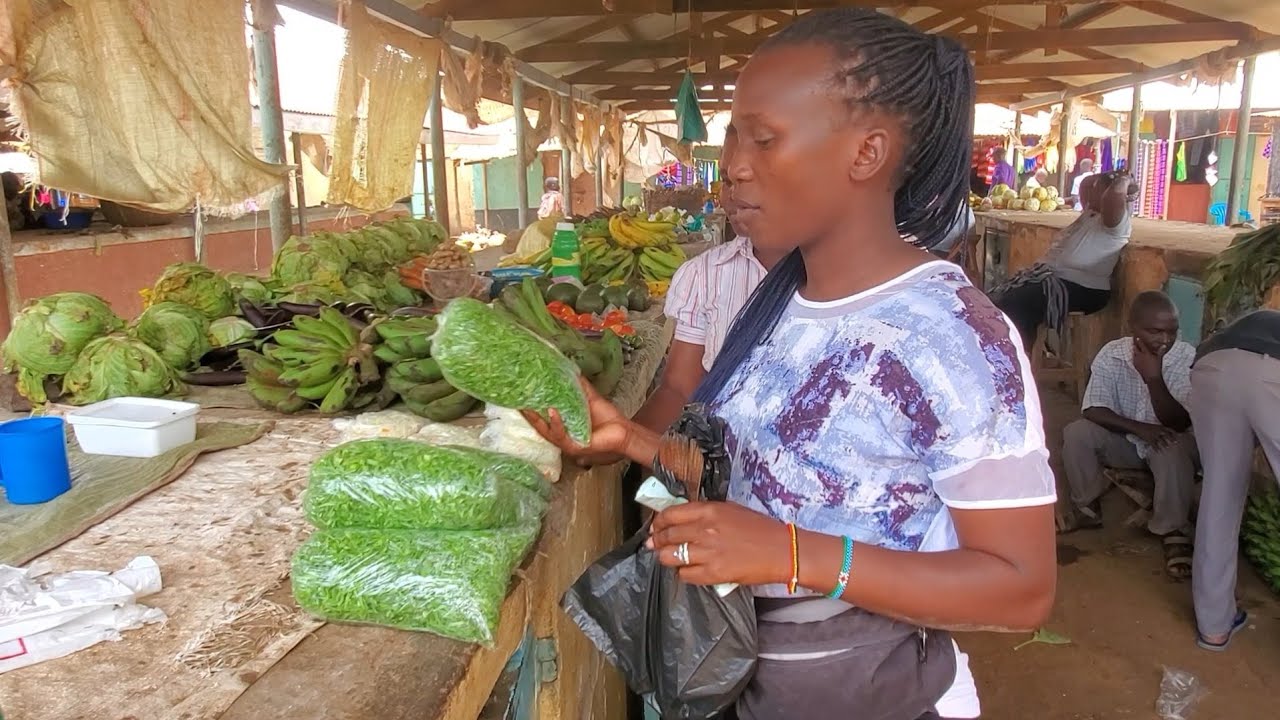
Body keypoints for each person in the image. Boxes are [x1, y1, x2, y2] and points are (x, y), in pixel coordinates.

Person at [524, 9, 1056, 718]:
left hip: (867, 691)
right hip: (752, 679)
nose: (734, 166)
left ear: (866, 153)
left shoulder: (952, 338)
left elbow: (1021, 589)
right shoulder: (781, 302)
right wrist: (630, 440)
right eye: (733, 137)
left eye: (765, 139)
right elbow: (769, 483)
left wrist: (791, 555)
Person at [632, 179, 788, 435]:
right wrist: (623, 438)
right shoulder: (705, 275)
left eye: (748, 178)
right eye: (727, 180)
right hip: (721, 466)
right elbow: (679, 390)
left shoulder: (846, 278)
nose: (729, 196)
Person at [1060, 291, 1198, 578]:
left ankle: (1172, 528)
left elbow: (1179, 421)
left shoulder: (1185, 357)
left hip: (1168, 442)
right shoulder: (1112, 354)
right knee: (1077, 434)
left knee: (1172, 448)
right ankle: (1087, 507)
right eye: (1154, 331)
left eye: (1171, 331)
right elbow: (1093, 409)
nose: (1164, 340)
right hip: (1127, 440)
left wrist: (1153, 378)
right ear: (1131, 327)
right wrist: (1139, 429)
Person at [1190, 310, 1280, 651]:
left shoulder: (1254, 322)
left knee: (1220, 496)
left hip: (1210, 369)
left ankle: (1214, 626)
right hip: (1271, 371)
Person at [989, 170, 1135, 352]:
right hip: (1054, 278)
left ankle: (1018, 359)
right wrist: (1101, 182)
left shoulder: (1116, 223)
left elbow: (1113, 198)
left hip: (1083, 288)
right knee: (996, 299)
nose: (1091, 193)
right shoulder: (1090, 215)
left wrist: (1123, 181)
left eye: (1098, 190)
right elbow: (1087, 184)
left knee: (1017, 303)